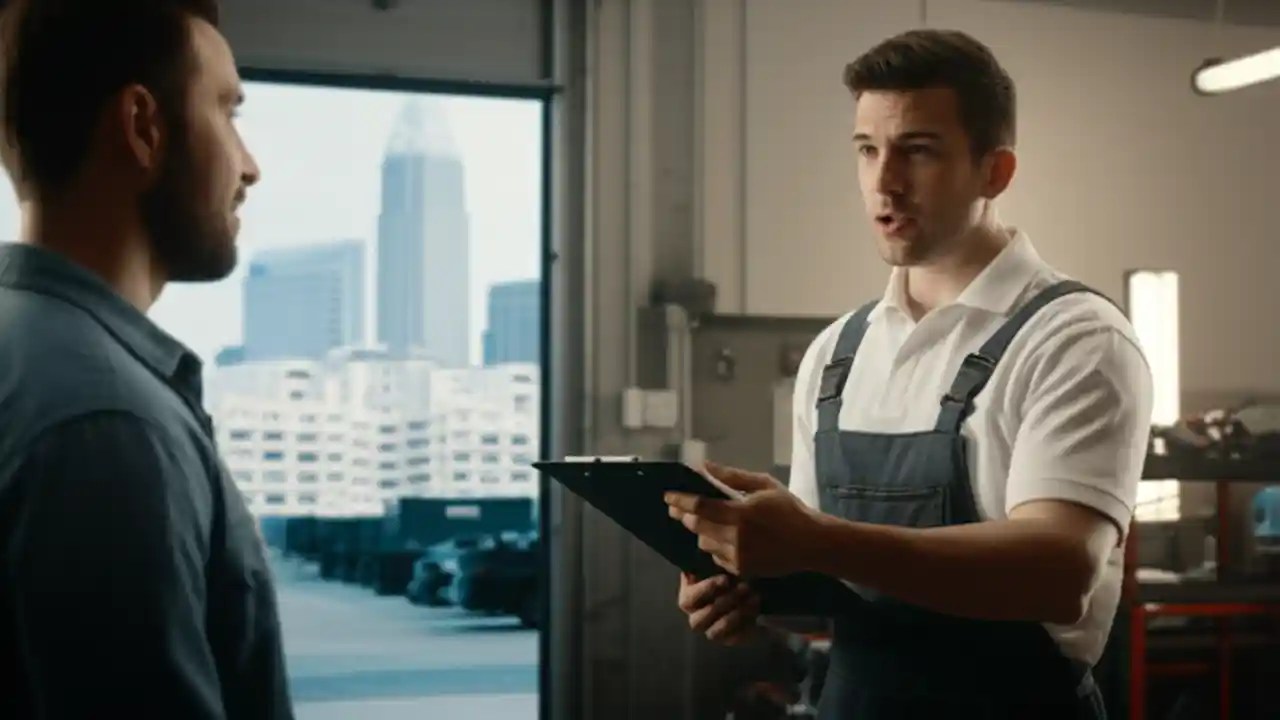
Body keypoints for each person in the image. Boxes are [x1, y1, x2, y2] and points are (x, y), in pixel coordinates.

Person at [665, 29, 1152, 719]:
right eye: (867, 150)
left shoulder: (1074, 338)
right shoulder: (838, 351)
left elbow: (1057, 570)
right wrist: (753, 586)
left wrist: (814, 537)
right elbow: (835, 587)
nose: (884, 180)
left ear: (995, 172)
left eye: (918, 151)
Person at [0, 1, 292, 718]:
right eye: (227, 112)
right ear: (143, 127)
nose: (250, 167)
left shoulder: (30, 359)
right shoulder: (109, 423)